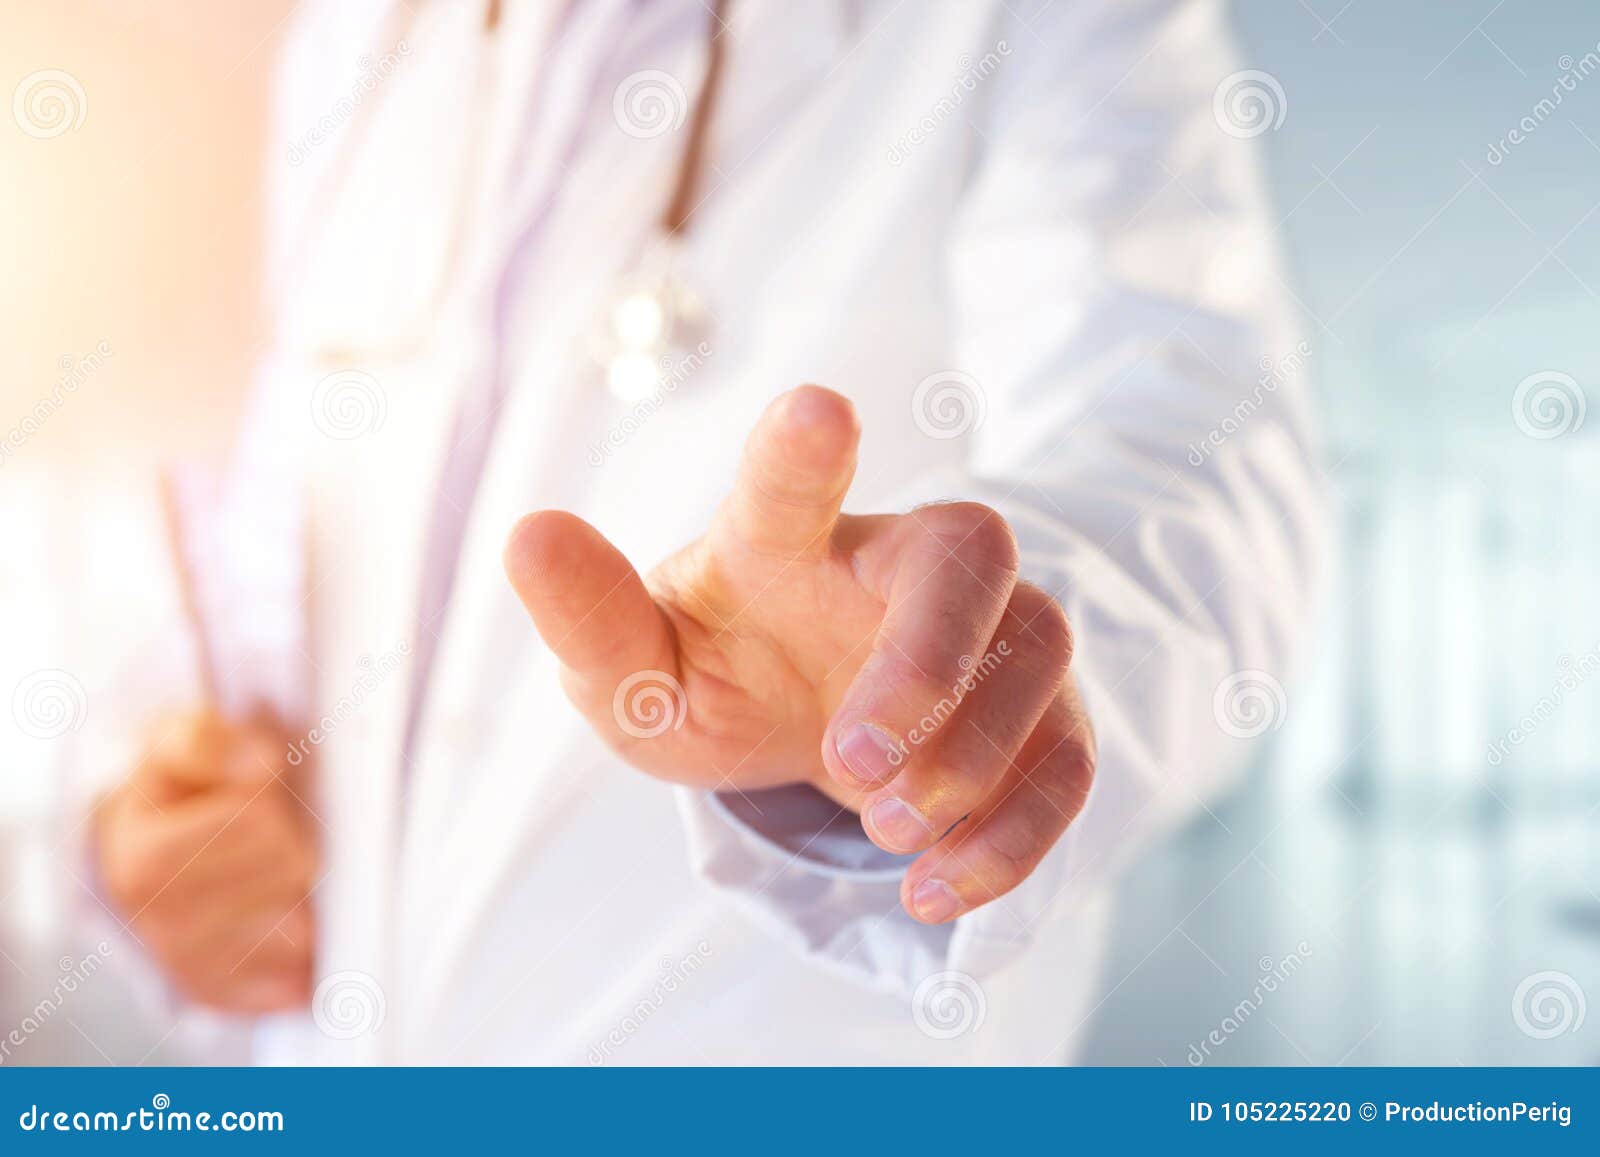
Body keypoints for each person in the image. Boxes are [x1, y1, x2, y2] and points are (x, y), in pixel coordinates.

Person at [82, 0, 1327, 1063]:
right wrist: (160, 837)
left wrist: (955, 687)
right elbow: (278, 521)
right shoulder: (361, 34)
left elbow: (1200, 467)